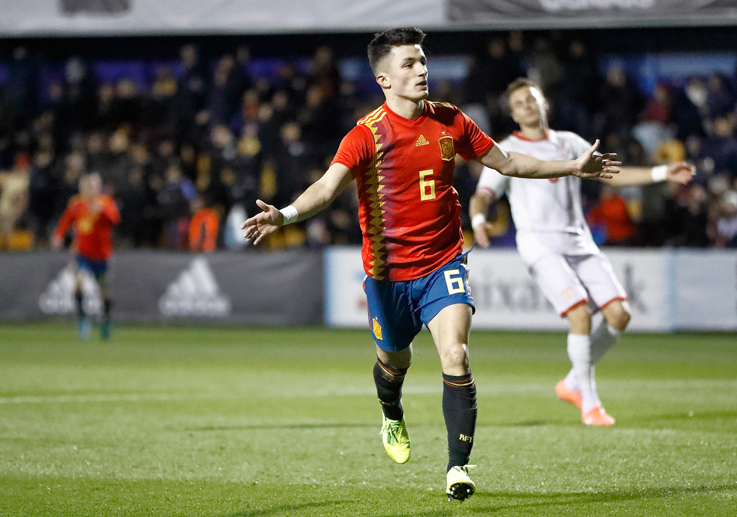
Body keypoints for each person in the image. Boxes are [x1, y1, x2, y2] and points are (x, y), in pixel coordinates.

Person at [240, 28, 618, 501]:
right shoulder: (366, 134)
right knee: (393, 362)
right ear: (383, 78)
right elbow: (327, 187)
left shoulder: (450, 119)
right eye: (409, 63)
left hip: (444, 262)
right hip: (388, 275)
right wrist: (285, 214)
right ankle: (391, 411)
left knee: (456, 354)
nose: (421, 70)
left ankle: (457, 468)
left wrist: (572, 167)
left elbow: (508, 163)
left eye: (422, 60)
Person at [469, 79, 694, 427]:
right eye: (519, 103)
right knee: (580, 314)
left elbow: (611, 174)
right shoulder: (507, 150)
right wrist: (478, 219)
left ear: (545, 104)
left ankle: (574, 382)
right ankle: (590, 405)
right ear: (513, 115)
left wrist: (663, 171)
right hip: (539, 244)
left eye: (532, 99)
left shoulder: (569, 142)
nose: (527, 105)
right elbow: (483, 194)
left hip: (579, 241)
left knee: (619, 315)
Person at [51, 172, 121, 340]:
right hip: (83, 254)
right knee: (78, 281)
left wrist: (102, 211)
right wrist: (59, 235)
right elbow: (66, 221)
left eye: (93, 187)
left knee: (104, 291)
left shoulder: (106, 203)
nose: (90, 190)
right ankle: (83, 320)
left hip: (102, 255)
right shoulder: (76, 204)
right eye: (87, 187)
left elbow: (115, 220)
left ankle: (105, 320)